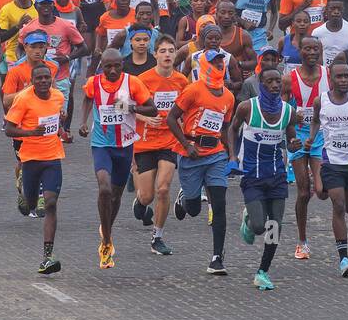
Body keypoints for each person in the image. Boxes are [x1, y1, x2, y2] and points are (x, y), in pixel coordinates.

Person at [79, 49, 157, 269]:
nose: (112, 71)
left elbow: (152, 109)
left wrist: (131, 107)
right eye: (107, 67)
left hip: (125, 145)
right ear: (101, 66)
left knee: (115, 196)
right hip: (101, 144)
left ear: (122, 65)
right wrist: (83, 122)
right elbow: (86, 98)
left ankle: (107, 229)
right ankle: (106, 242)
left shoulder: (132, 83)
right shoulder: (94, 83)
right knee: (104, 188)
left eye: (117, 66)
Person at [229, 64, 300, 290]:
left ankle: (262, 271)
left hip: (277, 175)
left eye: (278, 81)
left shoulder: (288, 112)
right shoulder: (247, 108)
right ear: (261, 85)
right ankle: (249, 219)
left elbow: (290, 139)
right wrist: (232, 156)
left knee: (274, 225)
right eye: (269, 81)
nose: (275, 85)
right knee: (260, 226)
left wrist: (294, 144)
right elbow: (232, 129)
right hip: (252, 175)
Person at [167, 50, 237, 275]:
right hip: (192, 154)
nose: (219, 65)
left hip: (216, 154)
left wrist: (231, 154)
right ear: (205, 64)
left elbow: (226, 127)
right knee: (195, 209)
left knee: (219, 204)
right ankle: (185, 198)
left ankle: (217, 258)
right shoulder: (193, 90)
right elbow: (171, 117)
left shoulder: (228, 96)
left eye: (221, 62)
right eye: (214, 62)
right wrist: (187, 146)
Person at [3, 63, 66, 275]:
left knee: (50, 203)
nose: (43, 82)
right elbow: (8, 129)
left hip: (53, 157)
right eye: (39, 78)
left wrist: (62, 127)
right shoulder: (23, 99)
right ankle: (22, 189)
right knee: (28, 206)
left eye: (46, 78)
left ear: (51, 79)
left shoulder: (58, 97)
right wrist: (31, 133)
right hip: (30, 159)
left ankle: (48, 255)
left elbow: (57, 122)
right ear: (32, 81)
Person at [308, 62, 348, 277]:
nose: (343, 80)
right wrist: (311, 138)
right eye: (339, 77)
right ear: (331, 79)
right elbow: (315, 121)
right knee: (339, 205)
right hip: (331, 161)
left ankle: (320, 185)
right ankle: (344, 257)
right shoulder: (321, 101)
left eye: (346, 76)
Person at [133, 36, 190, 256]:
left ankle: (157, 237)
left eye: (171, 51)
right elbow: (122, 106)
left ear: (176, 55)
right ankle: (140, 199)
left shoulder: (181, 82)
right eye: (163, 51)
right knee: (147, 197)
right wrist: (145, 118)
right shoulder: (142, 80)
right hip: (145, 142)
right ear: (155, 55)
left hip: (169, 141)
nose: (167, 55)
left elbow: (187, 109)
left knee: (164, 188)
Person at [283, 36, 325, 260]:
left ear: (321, 51)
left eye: (315, 49)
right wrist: (291, 114)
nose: (311, 52)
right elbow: (279, 108)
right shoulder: (289, 79)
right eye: (307, 48)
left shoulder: (328, 75)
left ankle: (314, 176)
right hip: (297, 138)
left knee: (320, 190)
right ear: (300, 51)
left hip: (320, 137)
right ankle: (302, 241)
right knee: (302, 191)